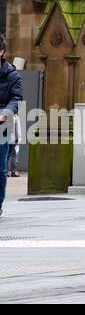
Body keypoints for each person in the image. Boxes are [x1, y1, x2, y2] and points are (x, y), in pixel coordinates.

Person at [0, 37, 21, 219]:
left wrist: (5, 112)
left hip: (2, 126)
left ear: (1, 52)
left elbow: (16, 98)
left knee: (0, 169)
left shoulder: (12, 75)